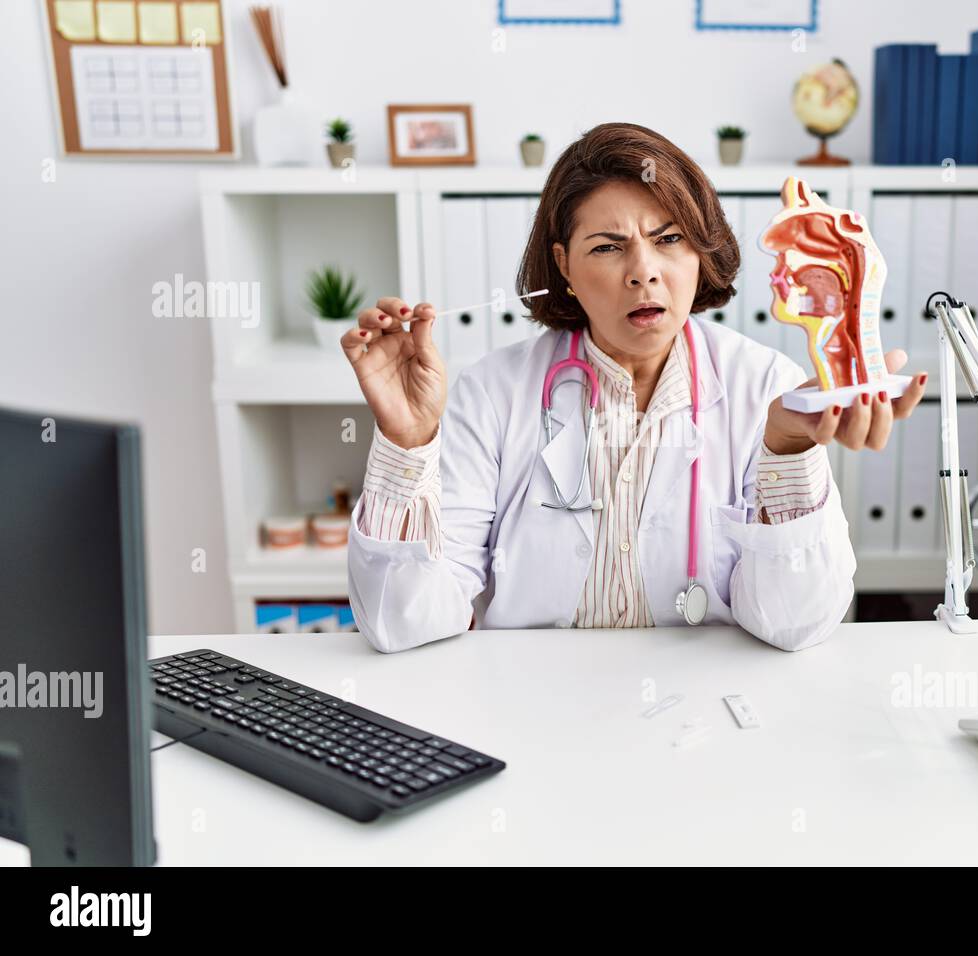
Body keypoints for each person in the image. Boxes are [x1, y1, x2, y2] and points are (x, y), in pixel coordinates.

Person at [341, 122, 926, 654]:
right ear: (564, 266)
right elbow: (404, 624)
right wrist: (405, 444)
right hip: (531, 711)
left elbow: (795, 624)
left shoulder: (765, 387)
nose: (643, 270)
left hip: (705, 716)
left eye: (668, 239)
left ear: (700, 251)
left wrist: (787, 450)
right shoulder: (495, 392)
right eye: (608, 246)